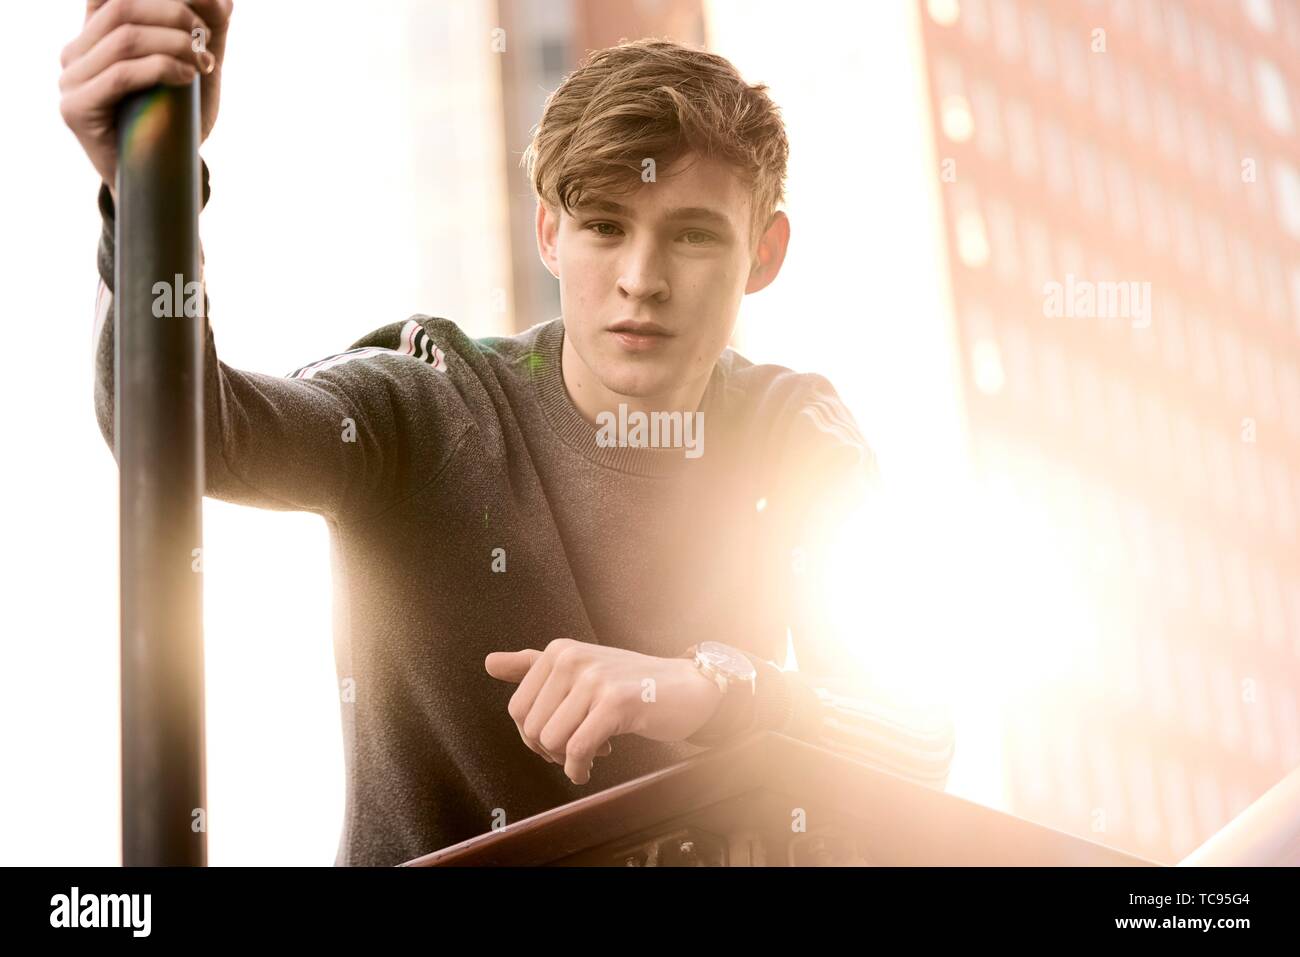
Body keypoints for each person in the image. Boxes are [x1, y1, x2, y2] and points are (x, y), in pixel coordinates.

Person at [61, 0, 954, 867]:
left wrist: (709, 686)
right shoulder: (430, 404)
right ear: (549, 234)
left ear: (764, 253)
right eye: (605, 225)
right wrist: (143, 184)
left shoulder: (792, 436)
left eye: (691, 237)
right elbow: (187, 432)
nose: (642, 279)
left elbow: (915, 733)